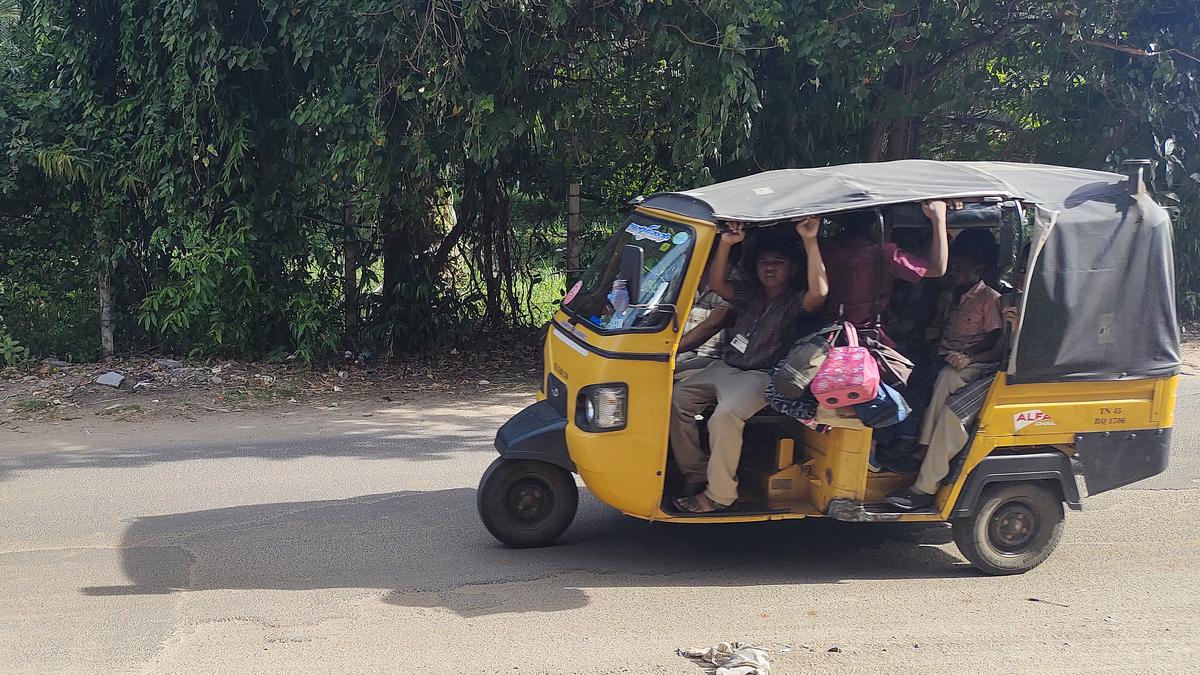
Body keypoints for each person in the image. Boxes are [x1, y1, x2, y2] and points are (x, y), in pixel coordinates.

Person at [669, 218, 828, 514]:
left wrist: (810, 240)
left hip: (759, 375)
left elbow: (819, 294)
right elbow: (718, 284)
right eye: (764, 262)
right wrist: (727, 244)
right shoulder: (749, 294)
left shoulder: (794, 303)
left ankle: (719, 495)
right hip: (726, 365)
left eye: (778, 262)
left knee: (724, 416)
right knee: (676, 399)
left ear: (792, 269)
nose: (769, 268)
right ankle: (696, 472)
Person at [887, 229, 1006, 510]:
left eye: (961, 267)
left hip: (976, 363)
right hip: (945, 356)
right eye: (952, 266)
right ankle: (908, 444)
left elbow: (994, 340)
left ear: (978, 269)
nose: (953, 271)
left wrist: (968, 356)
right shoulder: (949, 296)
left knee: (947, 385)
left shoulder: (990, 298)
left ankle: (924, 459)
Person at [819, 201, 952, 334]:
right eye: (889, 226)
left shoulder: (825, 248)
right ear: (878, 225)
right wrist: (938, 219)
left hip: (825, 330)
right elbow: (937, 269)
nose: (891, 232)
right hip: (862, 333)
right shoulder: (882, 252)